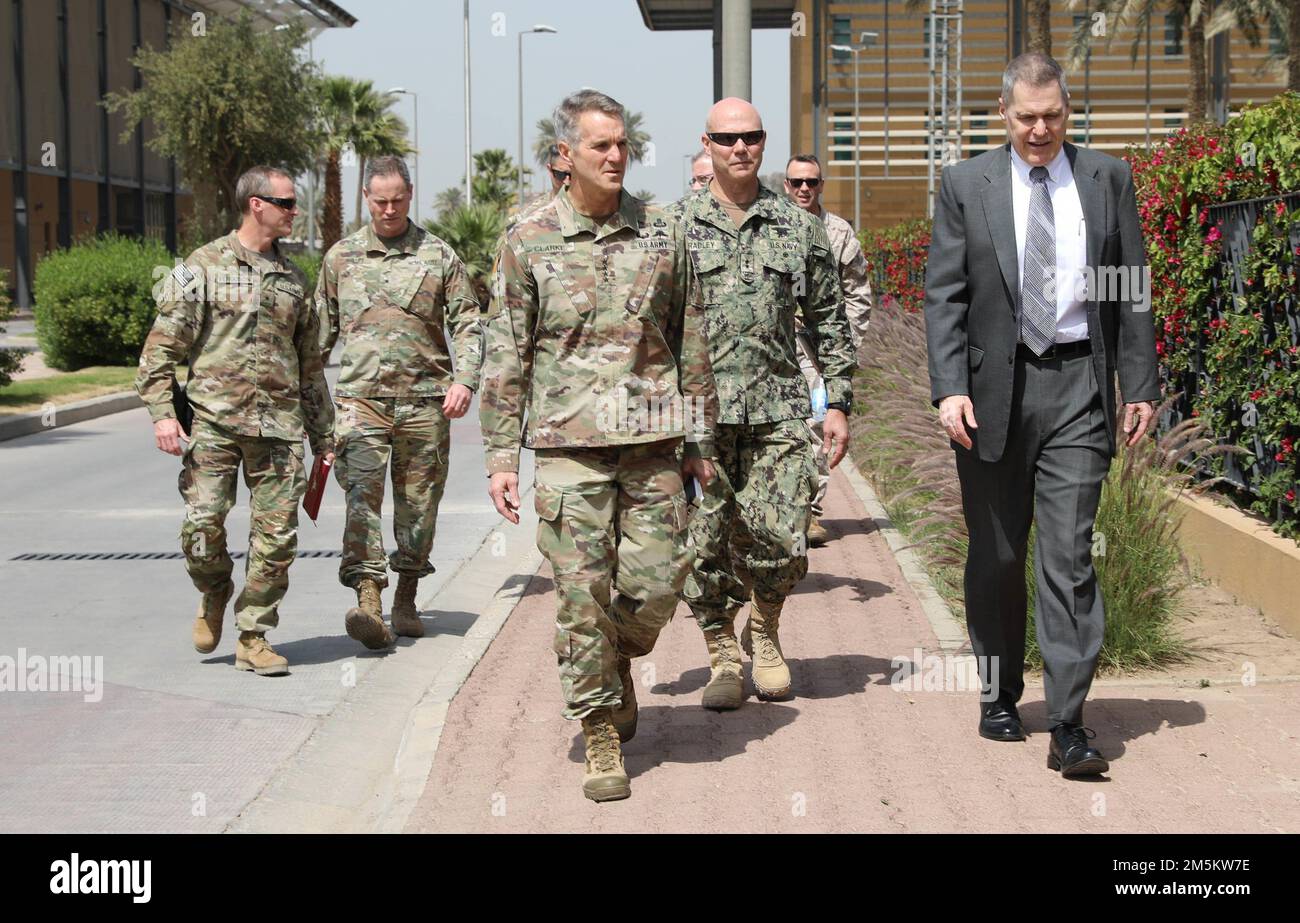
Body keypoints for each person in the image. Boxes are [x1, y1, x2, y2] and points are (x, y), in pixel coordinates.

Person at [478, 89, 718, 803]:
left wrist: (700, 438)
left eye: (622, 145)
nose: (616, 157)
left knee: (657, 587)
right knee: (581, 598)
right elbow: (506, 351)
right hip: (568, 449)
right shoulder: (526, 240)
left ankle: (610, 663)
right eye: (600, 146)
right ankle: (600, 725)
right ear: (566, 155)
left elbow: (691, 337)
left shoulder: (662, 233)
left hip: (653, 444)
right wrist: (500, 456)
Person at [923, 53, 1158, 778]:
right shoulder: (966, 184)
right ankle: (999, 692)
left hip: (1078, 387)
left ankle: (1068, 723)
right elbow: (946, 295)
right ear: (1003, 114)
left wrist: (1138, 382)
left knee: (1069, 555)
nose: (1040, 130)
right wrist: (948, 387)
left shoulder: (1106, 178)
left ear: (1067, 110)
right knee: (997, 555)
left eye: (1053, 116)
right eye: (1026, 117)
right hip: (994, 394)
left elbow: (1131, 288)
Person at [672, 98, 855, 709]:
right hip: (701, 415)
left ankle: (767, 628)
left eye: (751, 136)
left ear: (764, 141)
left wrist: (838, 403)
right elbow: (652, 326)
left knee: (781, 537)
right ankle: (723, 650)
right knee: (705, 540)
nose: (740, 148)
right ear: (708, 142)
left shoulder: (797, 226)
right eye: (727, 139)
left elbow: (830, 317)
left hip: (778, 407)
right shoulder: (675, 227)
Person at [136, 165, 333, 676]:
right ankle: (214, 587)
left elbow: (310, 366)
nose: (295, 211)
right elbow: (159, 350)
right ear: (256, 205)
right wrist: (162, 414)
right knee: (201, 529)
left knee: (276, 538)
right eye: (287, 203)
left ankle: (253, 634)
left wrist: (324, 436)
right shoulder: (199, 267)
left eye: (294, 203)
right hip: (214, 425)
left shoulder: (294, 280)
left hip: (280, 430)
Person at [316, 155, 482, 650]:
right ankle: (368, 600)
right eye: (380, 201)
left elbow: (468, 322)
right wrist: (306, 405)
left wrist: (466, 379)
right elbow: (316, 335)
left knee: (419, 507)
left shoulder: (439, 256)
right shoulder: (340, 259)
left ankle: (406, 595)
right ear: (366, 198)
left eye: (398, 200)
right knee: (361, 500)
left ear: (411, 196)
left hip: (425, 404)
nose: (389, 210)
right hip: (360, 403)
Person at [783, 153, 873, 545]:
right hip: (780, 345)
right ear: (786, 185)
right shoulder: (771, 226)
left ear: (822, 185)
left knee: (818, 425)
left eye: (812, 182)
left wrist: (845, 348)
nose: (804, 188)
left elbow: (858, 294)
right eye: (797, 181)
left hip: (820, 350)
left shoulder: (838, 234)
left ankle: (809, 512)